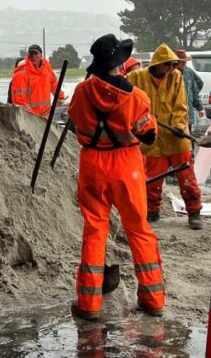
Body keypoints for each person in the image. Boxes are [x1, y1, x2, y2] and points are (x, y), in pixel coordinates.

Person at [68, 34, 165, 321]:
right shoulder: (136, 97)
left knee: (95, 231)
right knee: (138, 229)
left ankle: (88, 304)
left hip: (92, 164)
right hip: (127, 165)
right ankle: (152, 299)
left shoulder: (81, 91)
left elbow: (74, 123)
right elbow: (148, 135)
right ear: (120, 65)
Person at [126, 44, 203, 229]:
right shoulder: (137, 77)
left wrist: (177, 126)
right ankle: (152, 211)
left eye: (172, 66)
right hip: (151, 136)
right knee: (152, 178)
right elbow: (123, 91)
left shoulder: (176, 77)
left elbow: (181, 105)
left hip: (176, 137)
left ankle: (194, 212)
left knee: (187, 177)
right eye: (167, 65)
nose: (170, 69)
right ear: (158, 64)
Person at [10, 44, 65, 118]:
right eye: (31, 54)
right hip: (29, 117)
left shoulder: (47, 68)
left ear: (41, 55)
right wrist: (31, 116)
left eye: (36, 53)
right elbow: (19, 100)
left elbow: (54, 85)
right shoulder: (22, 72)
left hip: (46, 114)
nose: (33, 56)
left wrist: (60, 97)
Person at [175, 50, 205, 125]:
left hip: (188, 115)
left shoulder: (188, 72)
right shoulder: (170, 74)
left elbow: (194, 91)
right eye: (181, 61)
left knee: (188, 135)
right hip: (175, 116)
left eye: (185, 61)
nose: (184, 63)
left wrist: (200, 107)